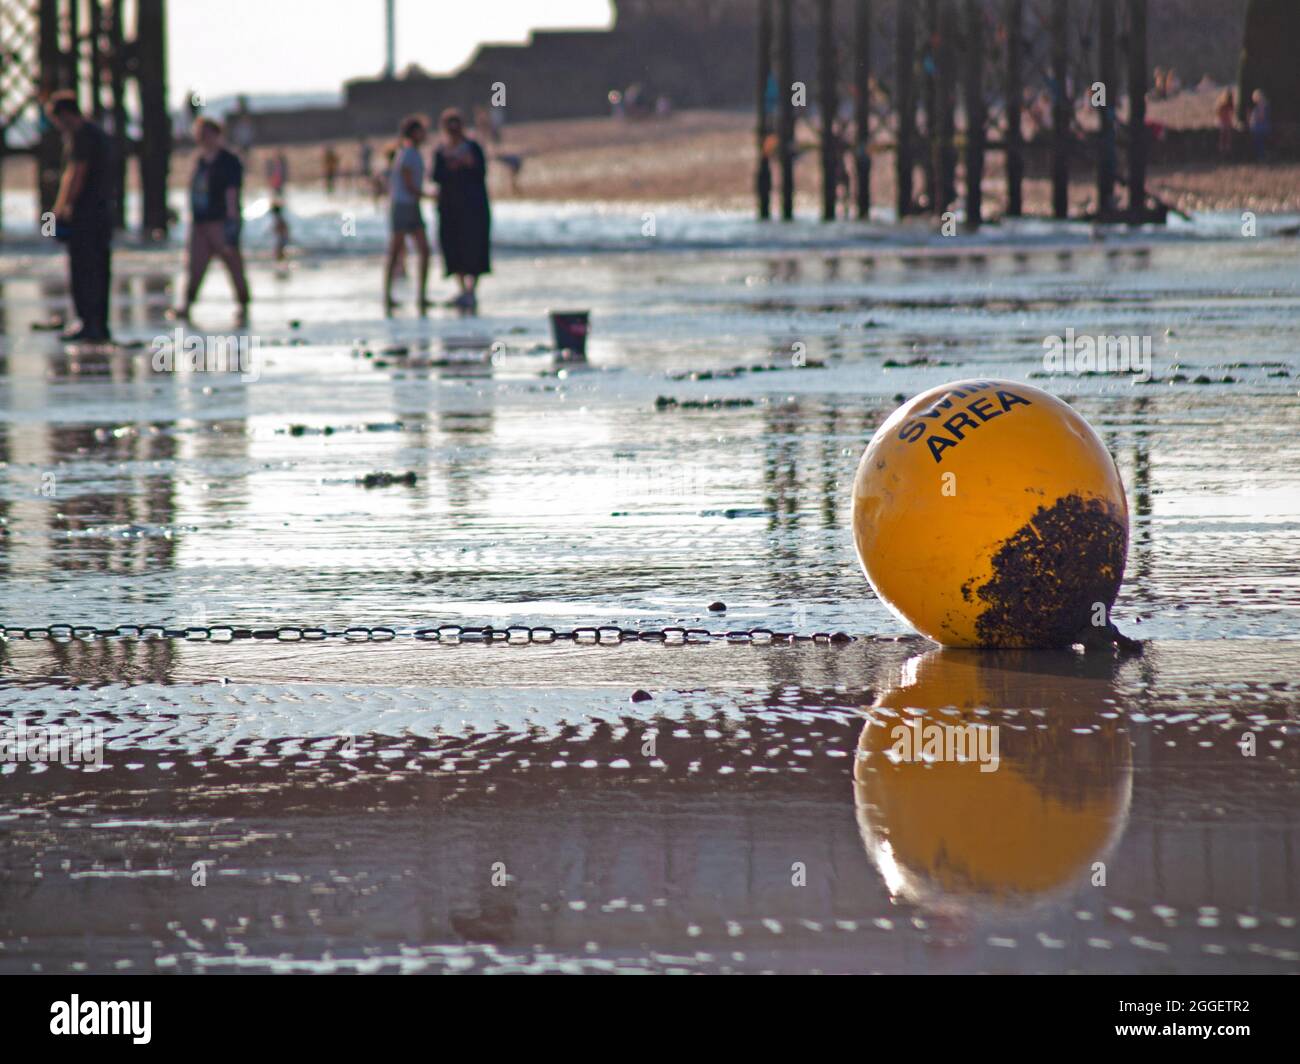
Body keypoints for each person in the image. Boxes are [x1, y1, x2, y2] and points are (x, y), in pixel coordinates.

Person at [47, 91, 113, 343]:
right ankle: (98, 324)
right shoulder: (97, 134)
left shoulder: (81, 136)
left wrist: (60, 208)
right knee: (99, 269)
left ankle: (87, 323)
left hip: (85, 214)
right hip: (103, 212)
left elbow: (75, 173)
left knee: (83, 269)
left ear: (64, 115)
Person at [176, 117, 249, 324]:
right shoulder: (199, 161)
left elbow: (232, 194)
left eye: (207, 135)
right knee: (195, 266)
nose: (204, 139)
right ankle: (187, 304)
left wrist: (232, 224)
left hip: (221, 221)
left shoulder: (229, 161)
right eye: (200, 135)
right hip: (200, 223)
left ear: (217, 135)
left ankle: (243, 303)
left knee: (233, 264)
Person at [432, 108, 491, 310]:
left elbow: (481, 172)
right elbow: (436, 176)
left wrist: (468, 163)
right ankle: (462, 289)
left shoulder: (472, 147)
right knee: (453, 247)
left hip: (473, 208)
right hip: (450, 208)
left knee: (474, 247)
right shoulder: (441, 151)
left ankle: (471, 290)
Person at [383, 115, 431, 314]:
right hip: (404, 206)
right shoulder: (408, 154)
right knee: (396, 250)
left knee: (423, 250)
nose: (424, 134)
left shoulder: (412, 153)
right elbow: (409, 183)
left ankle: (420, 295)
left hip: (410, 205)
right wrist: (431, 196)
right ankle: (388, 295)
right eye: (421, 130)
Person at [1249, 90, 1271, 161]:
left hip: (1260, 127)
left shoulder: (1261, 105)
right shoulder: (1263, 105)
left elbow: (1262, 117)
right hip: (1260, 127)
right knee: (1259, 142)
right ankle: (1260, 156)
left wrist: (1253, 118)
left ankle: (1261, 156)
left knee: (1259, 142)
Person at [1215, 89, 1236, 156]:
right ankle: (1223, 148)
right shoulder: (1221, 105)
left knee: (1228, 131)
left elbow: (1230, 115)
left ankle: (1227, 148)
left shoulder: (1230, 105)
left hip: (1227, 122)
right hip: (1222, 122)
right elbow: (1219, 115)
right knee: (1224, 131)